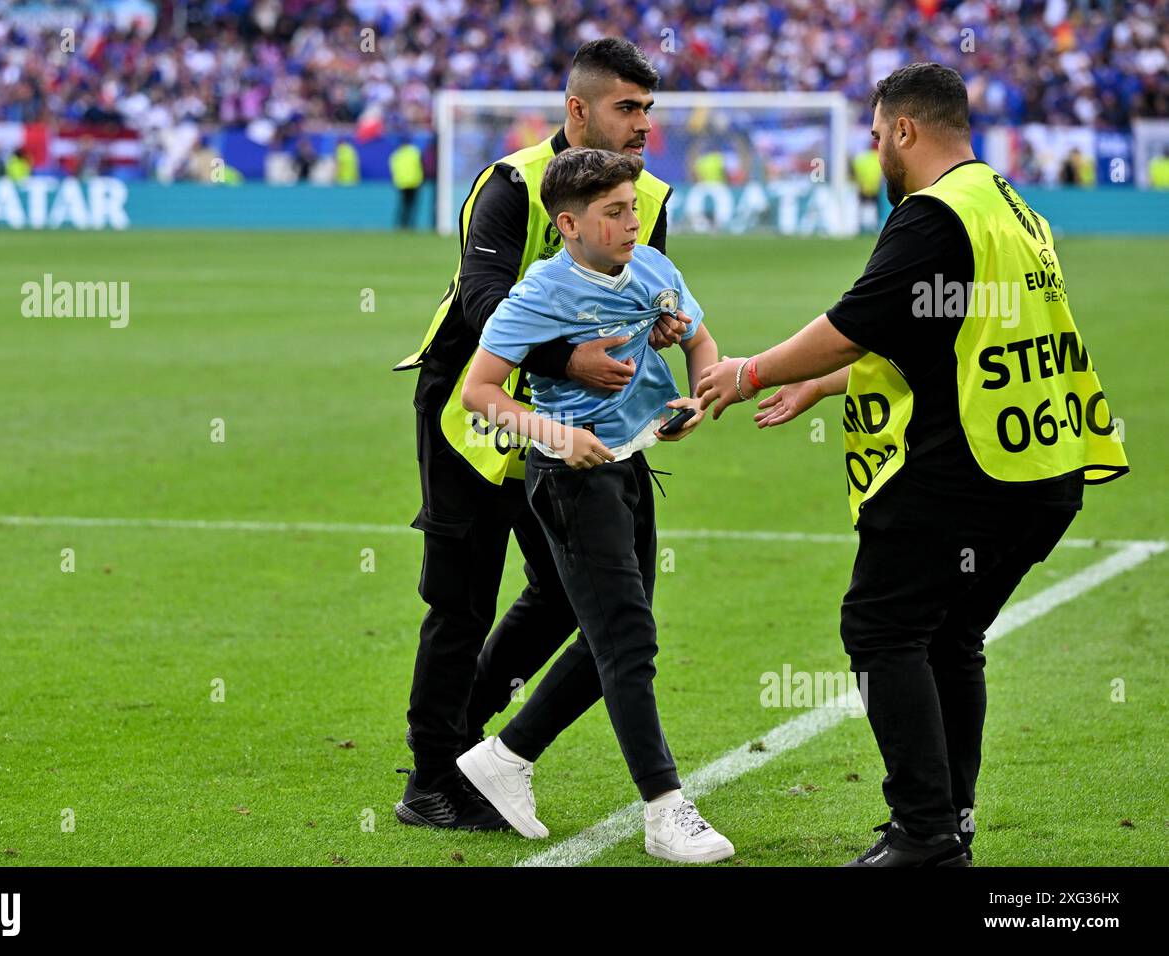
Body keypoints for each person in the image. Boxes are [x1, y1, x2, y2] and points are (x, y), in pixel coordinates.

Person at [697, 62, 1128, 867]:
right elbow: (928, 329)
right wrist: (825, 388)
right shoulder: (1008, 205)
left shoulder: (933, 215)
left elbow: (854, 324)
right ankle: (948, 823)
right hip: (1046, 464)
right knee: (950, 636)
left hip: (966, 468)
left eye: (873, 133)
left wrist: (751, 371)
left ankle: (925, 833)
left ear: (904, 130)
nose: (870, 149)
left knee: (883, 626)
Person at [391, 38, 690, 831]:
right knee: (461, 599)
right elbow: (482, 298)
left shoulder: (651, 197)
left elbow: (642, 304)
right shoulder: (510, 182)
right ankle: (430, 781)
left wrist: (665, 344)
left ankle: (466, 740)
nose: (642, 126)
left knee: (565, 595)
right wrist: (569, 358)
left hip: (567, 426)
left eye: (648, 110)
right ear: (577, 110)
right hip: (470, 408)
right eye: (627, 109)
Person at [456, 147, 734, 864]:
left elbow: (701, 340)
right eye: (614, 213)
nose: (632, 222)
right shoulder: (539, 294)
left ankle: (506, 757)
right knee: (629, 640)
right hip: (570, 477)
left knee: (612, 638)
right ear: (570, 224)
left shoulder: (653, 269)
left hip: (632, 463)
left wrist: (697, 394)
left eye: (634, 207)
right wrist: (554, 432)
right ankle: (666, 809)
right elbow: (480, 392)